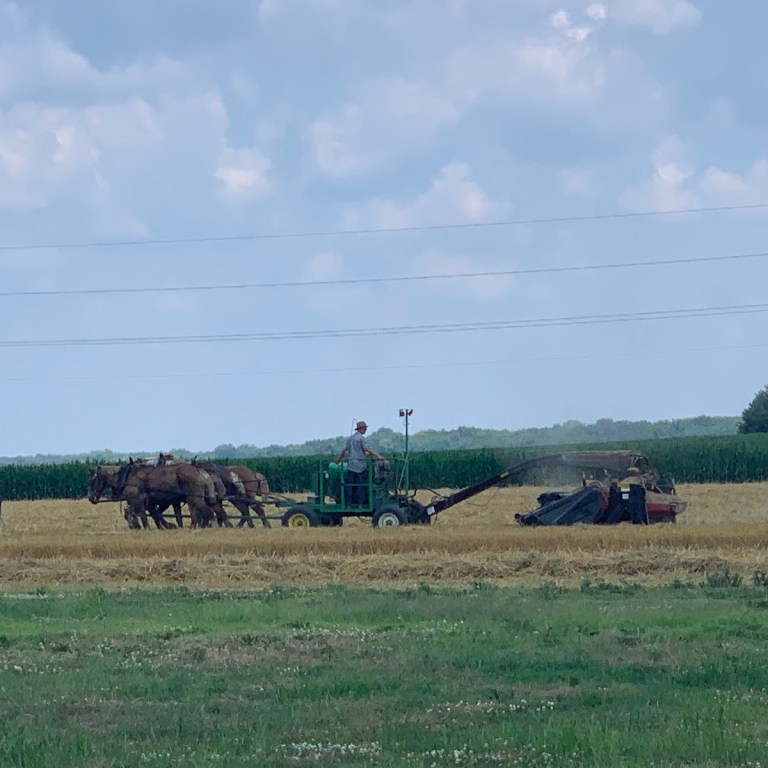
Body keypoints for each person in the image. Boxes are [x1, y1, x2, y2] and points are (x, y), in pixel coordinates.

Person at [335, 420, 383, 507]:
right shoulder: (361, 438)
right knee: (361, 486)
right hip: (360, 466)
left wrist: (337, 461)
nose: (365, 430)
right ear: (361, 429)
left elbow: (343, 450)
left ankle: (348, 504)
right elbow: (366, 448)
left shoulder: (349, 439)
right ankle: (361, 504)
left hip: (351, 466)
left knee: (350, 485)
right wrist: (378, 456)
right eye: (365, 428)